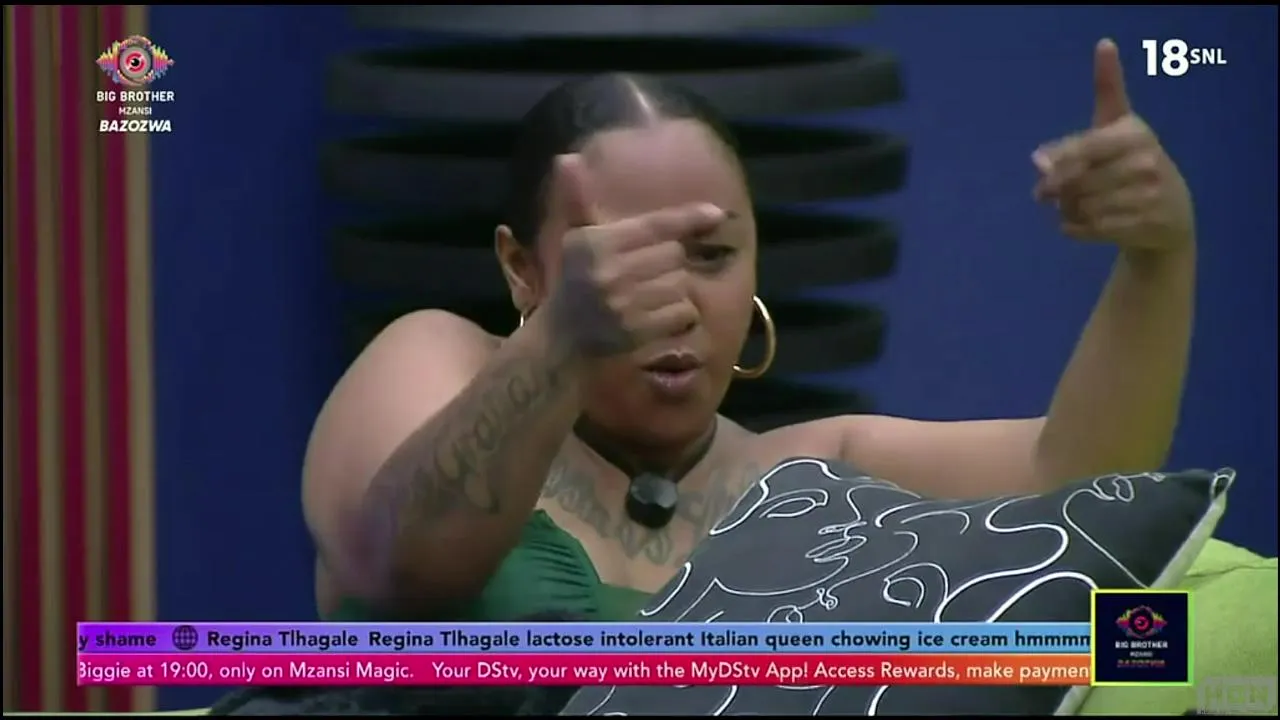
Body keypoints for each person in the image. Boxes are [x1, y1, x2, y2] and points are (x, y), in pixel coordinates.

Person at [302, 39, 1196, 623]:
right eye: (624, 253)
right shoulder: (435, 358)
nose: (675, 300)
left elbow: (1082, 478)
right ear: (521, 267)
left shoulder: (812, 472)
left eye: (711, 254)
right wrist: (562, 343)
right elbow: (399, 570)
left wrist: (1158, 258)